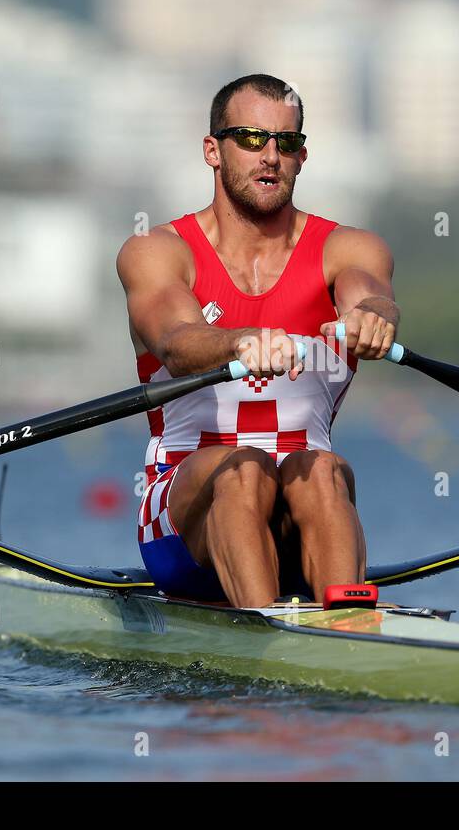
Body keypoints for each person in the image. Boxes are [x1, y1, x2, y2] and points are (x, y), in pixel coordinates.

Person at [117, 74, 399, 607]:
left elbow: (371, 294)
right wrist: (239, 342)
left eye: (285, 143)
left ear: (301, 157)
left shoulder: (349, 247)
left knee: (321, 470)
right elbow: (177, 343)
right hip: (182, 523)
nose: (270, 155)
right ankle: (266, 636)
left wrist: (374, 317)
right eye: (250, 139)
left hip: (304, 510)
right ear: (213, 151)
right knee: (244, 466)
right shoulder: (158, 252)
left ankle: (350, 623)